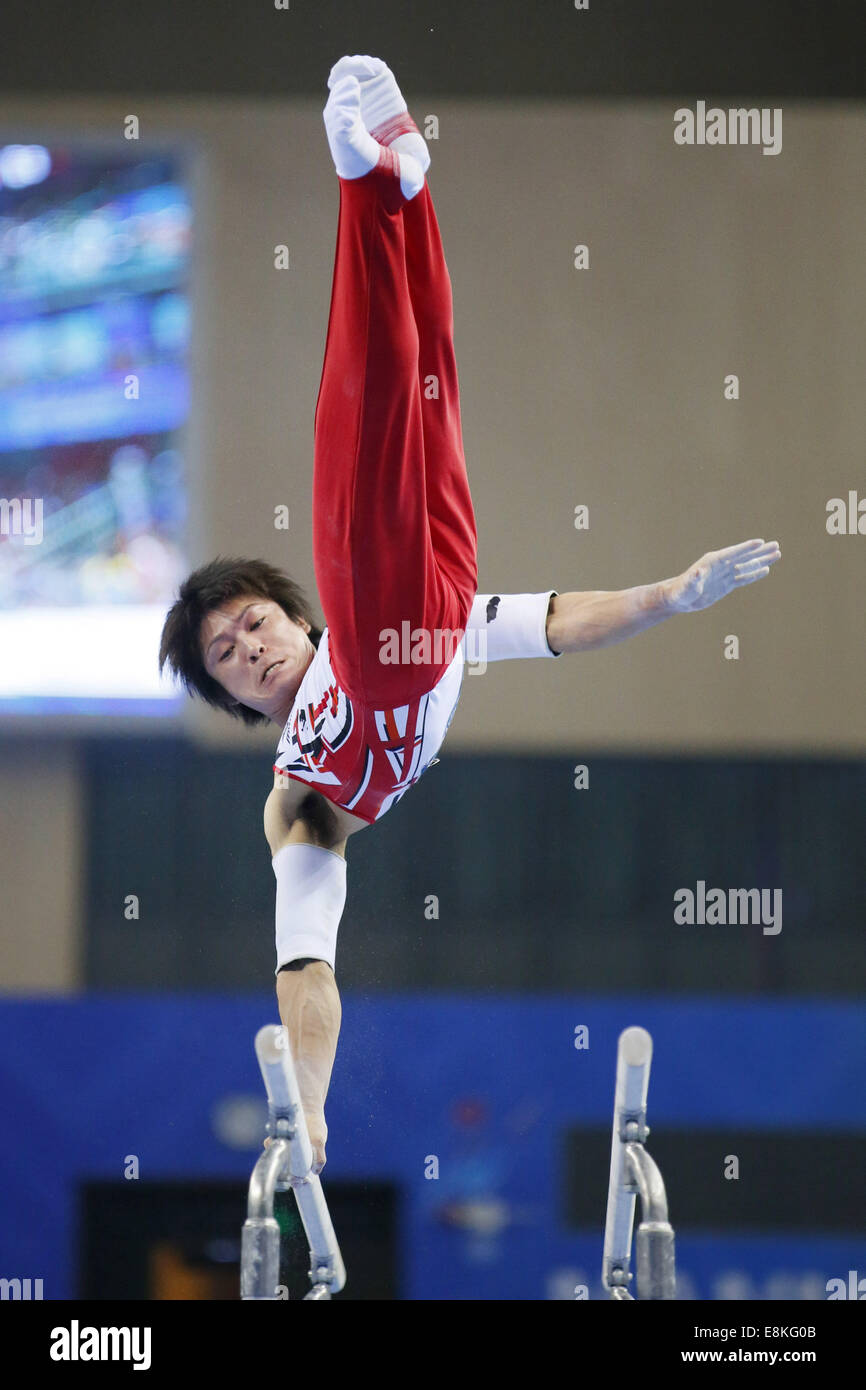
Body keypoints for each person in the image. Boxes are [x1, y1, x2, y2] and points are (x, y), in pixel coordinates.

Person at [159, 56, 781, 1172]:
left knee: (387, 384)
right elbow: (307, 965)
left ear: (293, 621)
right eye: (225, 658)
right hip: (425, 615)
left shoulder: (338, 623)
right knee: (421, 371)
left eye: (250, 623)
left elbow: (553, 616)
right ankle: (393, 187)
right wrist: (312, 1097)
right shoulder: (299, 798)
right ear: (239, 703)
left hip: (405, 601)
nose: (246, 647)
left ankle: (383, 183)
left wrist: (659, 594)